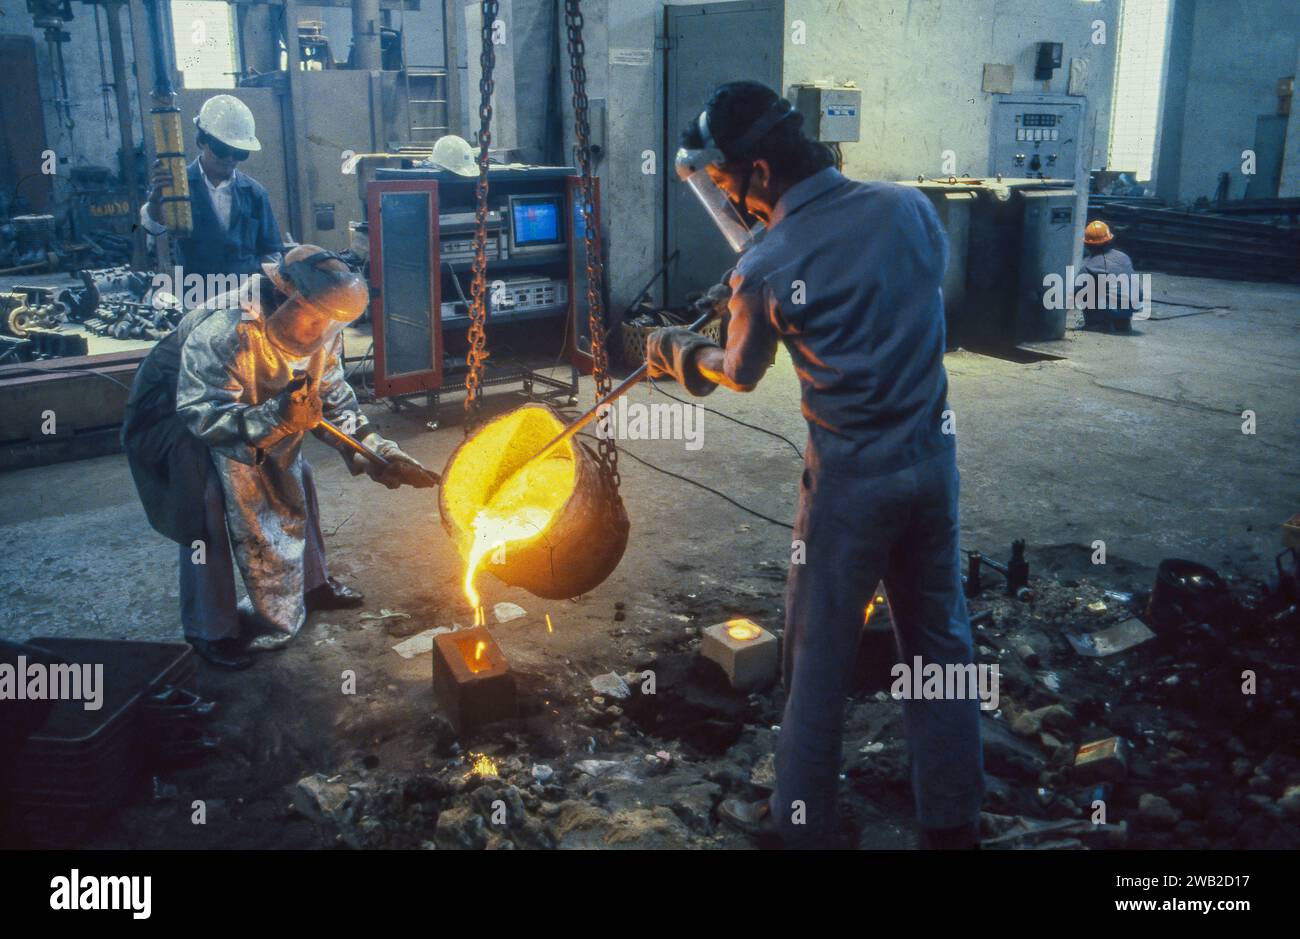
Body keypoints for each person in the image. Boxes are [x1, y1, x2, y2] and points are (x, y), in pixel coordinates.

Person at [646, 81, 983, 849]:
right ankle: (953, 820)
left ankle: (800, 826)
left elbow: (738, 370)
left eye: (727, 181)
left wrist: (679, 351)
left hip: (850, 491)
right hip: (932, 467)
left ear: (761, 171)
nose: (729, 196)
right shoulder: (907, 208)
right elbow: (907, 282)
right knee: (942, 644)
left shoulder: (768, 263)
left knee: (816, 664)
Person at [122, 246, 433, 670]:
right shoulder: (224, 328)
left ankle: (312, 585)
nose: (321, 330)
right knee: (208, 500)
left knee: (297, 473)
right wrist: (278, 418)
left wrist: (376, 451)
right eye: (314, 317)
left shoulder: (323, 322)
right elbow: (203, 413)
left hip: (255, 406)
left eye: (330, 322)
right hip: (177, 413)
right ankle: (210, 628)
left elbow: (332, 398)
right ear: (282, 295)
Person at [141, 94, 284, 287]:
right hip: (197, 293)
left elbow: (271, 252)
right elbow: (153, 228)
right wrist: (156, 198)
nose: (230, 158)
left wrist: (263, 286)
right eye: (222, 149)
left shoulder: (255, 193)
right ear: (202, 141)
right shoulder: (177, 186)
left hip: (246, 296)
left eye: (240, 152)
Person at [1076, 220, 1143, 333]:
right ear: (1109, 240)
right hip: (1135, 305)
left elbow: (1074, 293)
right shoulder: (1124, 257)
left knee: (1085, 292)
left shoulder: (1088, 265)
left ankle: (1097, 324)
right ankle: (1123, 324)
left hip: (1114, 308)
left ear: (1087, 245)